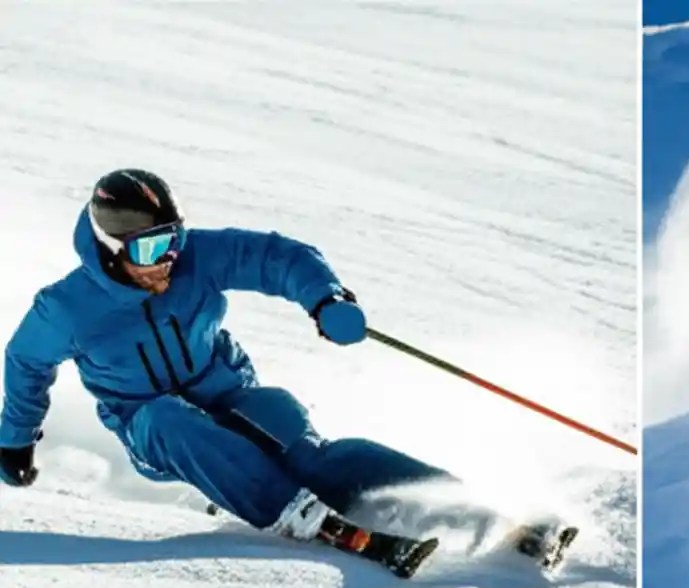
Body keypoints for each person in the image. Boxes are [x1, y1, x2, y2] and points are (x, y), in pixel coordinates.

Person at [0, 169, 550, 565]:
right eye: (150, 250)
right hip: (153, 429)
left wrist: (326, 298)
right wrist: (15, 439)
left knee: (308, 454)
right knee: (168, 418)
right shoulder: (66, 308)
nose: (167, 259)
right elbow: (25, 363)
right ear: (110, 249)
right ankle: (298, 515)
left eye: (173, 241)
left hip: (229, 393)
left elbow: (274, 256)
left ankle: (470, 508)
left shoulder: (194, 259)